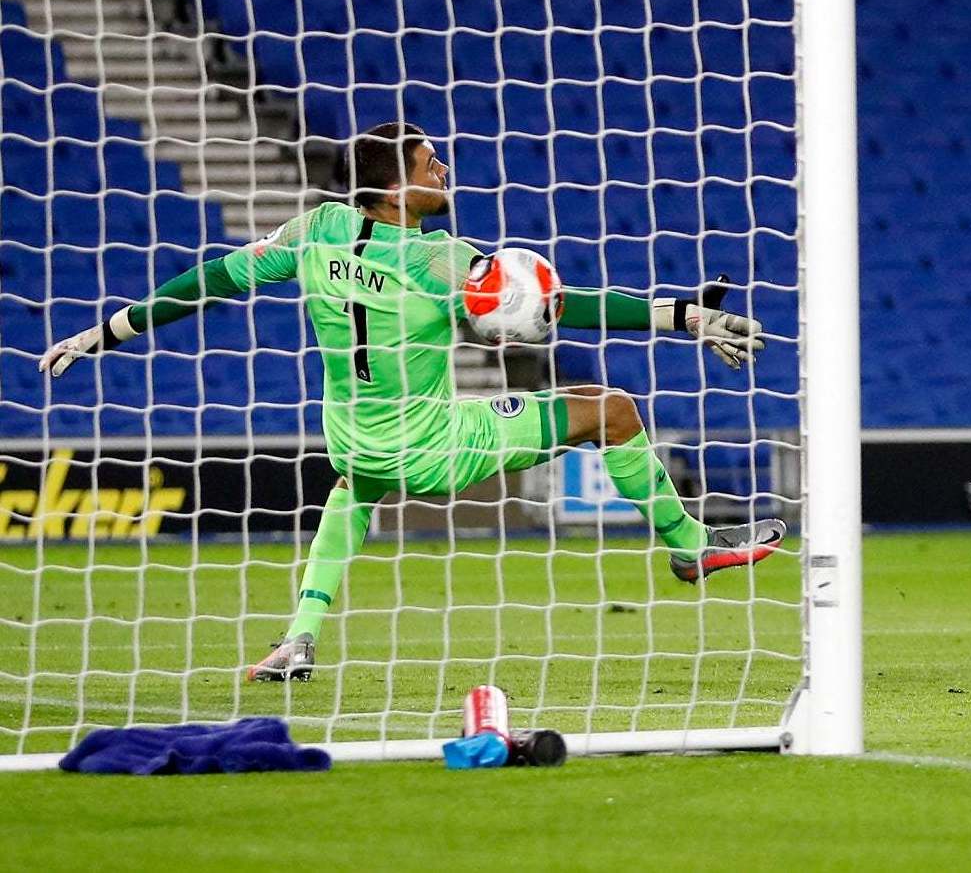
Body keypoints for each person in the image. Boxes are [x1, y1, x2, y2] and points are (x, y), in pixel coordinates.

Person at [39, 122, 782, 681]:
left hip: (353, 437)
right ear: (399, 188)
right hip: (435, 444)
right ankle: (689, 550)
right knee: (612, 409)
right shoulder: (440, 257)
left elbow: (208, 282)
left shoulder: (314, 231)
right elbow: (564, 302)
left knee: (354, 488)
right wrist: (679, 315)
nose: (445, 167)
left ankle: (298, 637)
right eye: (432, 162)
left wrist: (105, 332)